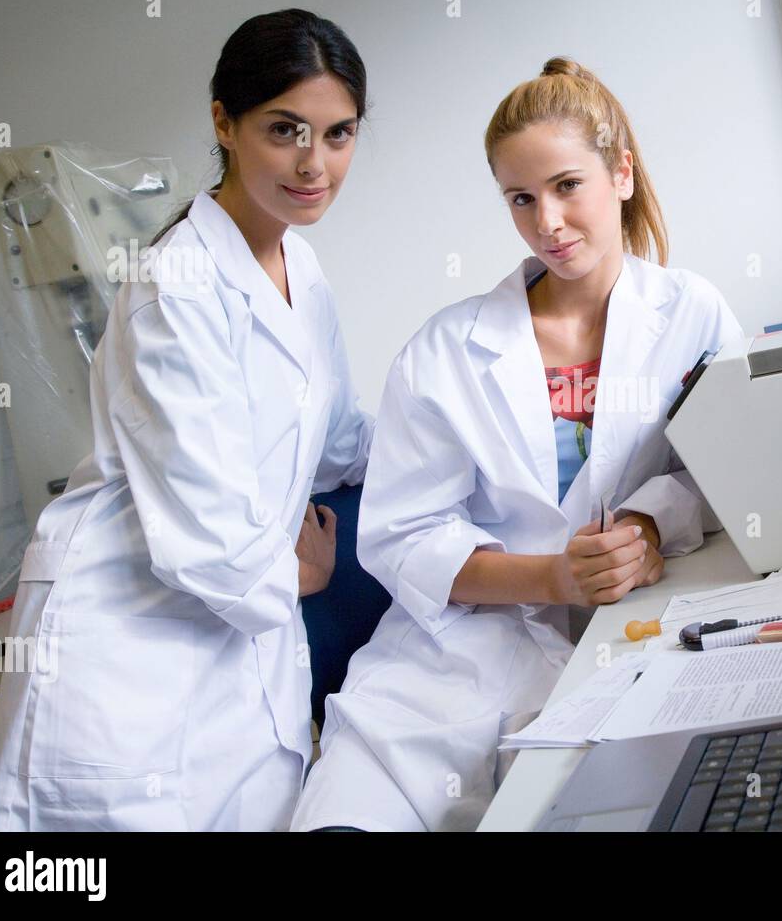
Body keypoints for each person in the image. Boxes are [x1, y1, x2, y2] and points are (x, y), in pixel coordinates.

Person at [291, 57, 743, 831]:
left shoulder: (691, 313)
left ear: (621, 174)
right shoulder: (446, 351)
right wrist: (555, 577)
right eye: (521, 199)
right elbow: (402, 539)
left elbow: (727, 462)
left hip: (630, 638)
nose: (548, 223)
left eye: (568, 186)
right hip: (444, 671)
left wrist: (643, 523)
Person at [0, 8, 374, 831]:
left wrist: (454, 439)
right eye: (286, 130)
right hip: (127, 653)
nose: (316, 164)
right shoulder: (178, 287)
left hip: (235, 656)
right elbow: (214, 550)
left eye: (339, 134)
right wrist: (301, 575)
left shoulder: (298, 266)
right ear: (223, 125)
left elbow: (337, 441)